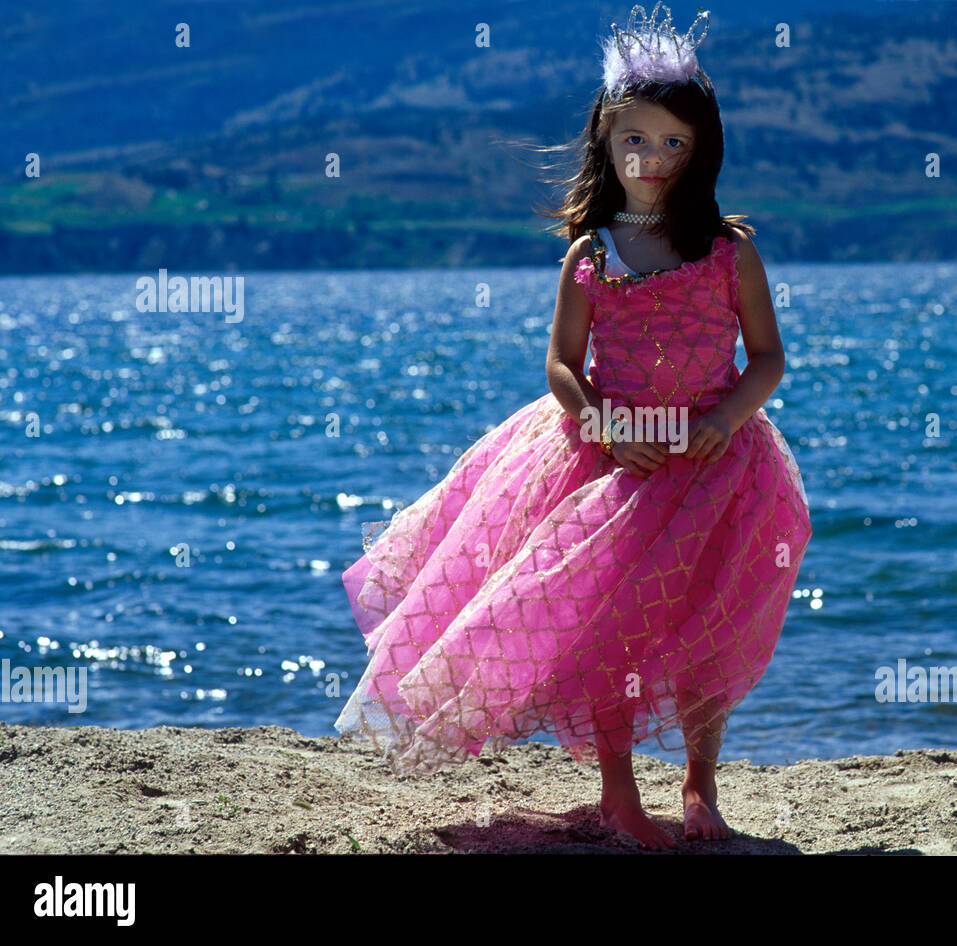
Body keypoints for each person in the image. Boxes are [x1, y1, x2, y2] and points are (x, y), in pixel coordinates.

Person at [335, 2, 812, 850]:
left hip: (718, 464)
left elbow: (768, 357)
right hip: (611, 466)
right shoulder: (590, 256)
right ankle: (620, 792)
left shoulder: (730, 251)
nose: (652, 158)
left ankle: (701, 784)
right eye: (635, 140)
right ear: (606, 141)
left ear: (699, 149)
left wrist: (730, 415)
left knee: (707, 625)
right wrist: (597, 422)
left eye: (672, 142)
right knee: (607, 627)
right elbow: (559, 366)